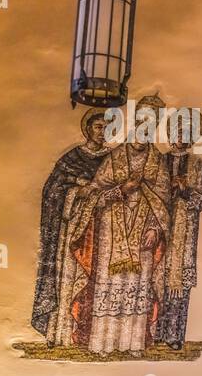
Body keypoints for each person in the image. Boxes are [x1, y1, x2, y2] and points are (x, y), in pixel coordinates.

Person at [68, 94, 171, 356]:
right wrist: (120, 191)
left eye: (151, 124)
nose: (144, 129)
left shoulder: (157, 162)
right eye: (141, 122)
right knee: (110, 286)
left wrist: (154, 229)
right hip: (111, 235)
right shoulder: (114, 158)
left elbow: (163, 202)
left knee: (136, 287)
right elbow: (94, 195)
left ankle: (132, 343)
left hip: (142, 238)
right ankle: (104, 343)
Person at [31, 108, 114, 347]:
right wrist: (78, 186)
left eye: (106, 127)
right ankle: (64, 332)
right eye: (98, 127)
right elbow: (52, 191)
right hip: (75, 229)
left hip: (103, 228)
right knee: (72, 276)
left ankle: (93, 334)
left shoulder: (112, 158)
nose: (102, 132)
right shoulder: (72, 159)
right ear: (88, 129)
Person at [154, 115, 202, 350]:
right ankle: (155, 333)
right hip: (159, 228)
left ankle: (174, 336)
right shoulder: (158, 161)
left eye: (187, 133)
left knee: (179, 285)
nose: (182, 137)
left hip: (184, 231)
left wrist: (186, 190)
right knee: (156, 280)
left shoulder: (197, 165)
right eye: (178, 132)